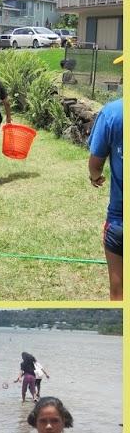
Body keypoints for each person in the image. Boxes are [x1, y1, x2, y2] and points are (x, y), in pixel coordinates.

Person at [88, 94, 122, 301]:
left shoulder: (113, 112)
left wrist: (95, 177)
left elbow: (96, 163)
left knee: (119, 292)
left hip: (120, 221)